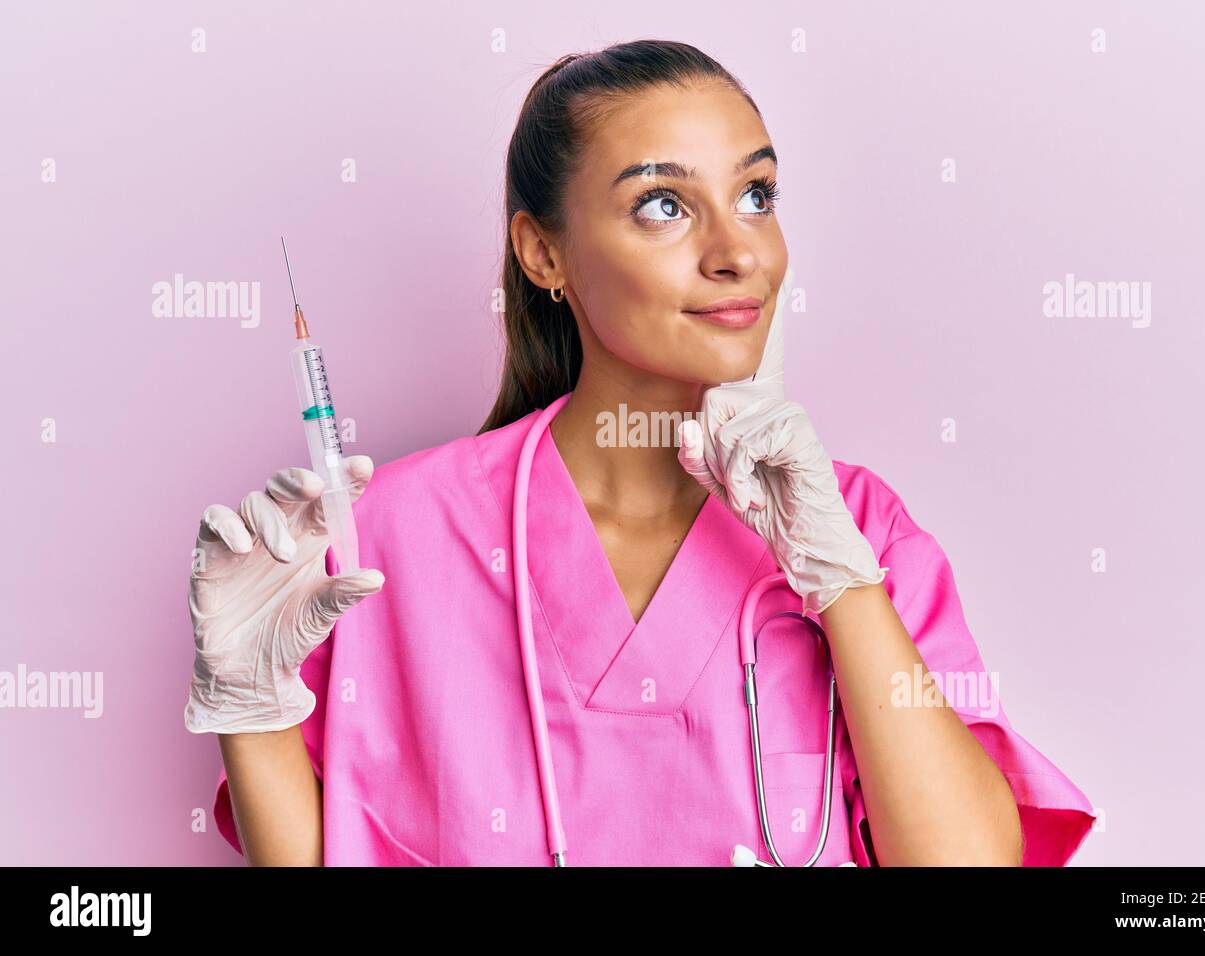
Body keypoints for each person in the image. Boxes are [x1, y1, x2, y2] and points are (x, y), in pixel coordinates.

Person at [184, 39, 1096, 866]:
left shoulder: (858, 529)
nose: (739, 252)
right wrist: (250, 711)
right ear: (544, 253)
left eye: (756, 195)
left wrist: (844, 586)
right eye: (664, 205)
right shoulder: (384, 540)